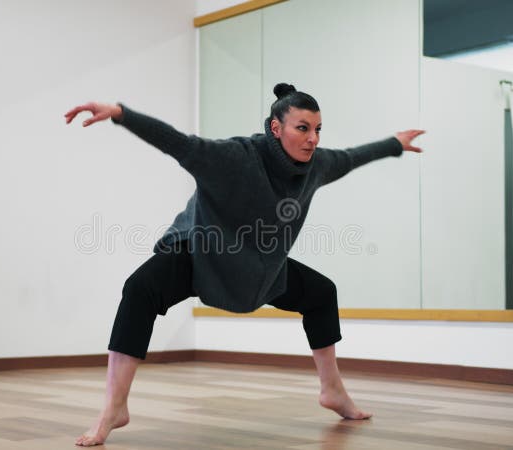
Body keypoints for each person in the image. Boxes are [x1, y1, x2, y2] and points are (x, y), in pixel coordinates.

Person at [64, 83, 424, 446]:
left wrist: (393, 144)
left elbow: (349, 157)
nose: (313, 138)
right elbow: (178, 142)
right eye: (302, 128)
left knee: (321, 293)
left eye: (317, 129)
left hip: (258, 267)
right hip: (200, 250)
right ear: (275, 128)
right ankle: (114, 407)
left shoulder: (316, 166)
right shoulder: (234, 157)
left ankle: (332, 391)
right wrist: (122, 114)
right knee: (140, 288)